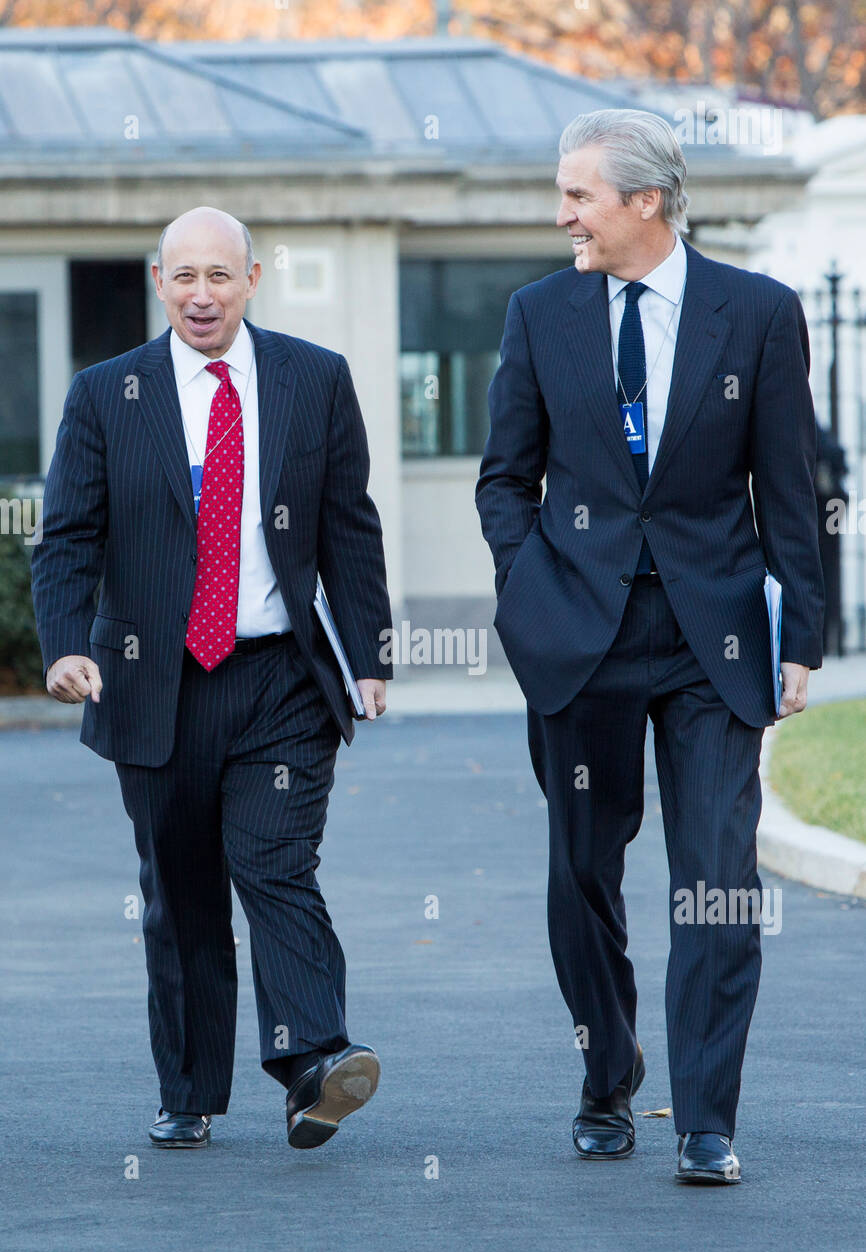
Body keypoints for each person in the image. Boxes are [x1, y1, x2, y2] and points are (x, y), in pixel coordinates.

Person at [476, 111, 824, 1184]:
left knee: (714, 880)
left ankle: (707, 1118)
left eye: (576, 195)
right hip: (577, 641)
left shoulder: (756, 315)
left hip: (709, 644)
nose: (560, 213)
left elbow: (789, 488)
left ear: (644, 202)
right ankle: (605, 1075)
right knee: (581, 871)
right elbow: (504, 478)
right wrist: (529, 585)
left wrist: (800, 635)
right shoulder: (538, 313)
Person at [31, 206, 392, 1152]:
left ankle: (314, 1062)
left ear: (253, 279)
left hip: (280, 677)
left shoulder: (315, 379)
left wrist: (371, 652)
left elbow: (349, 523)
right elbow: (68, 535)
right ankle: (189, 1089)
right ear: (160, 283)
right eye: (184, 277)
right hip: (154, 682)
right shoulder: (108, 394)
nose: (201, 295)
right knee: (181, 888)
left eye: (220, 276)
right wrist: (67, 644)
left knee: (274, 865)